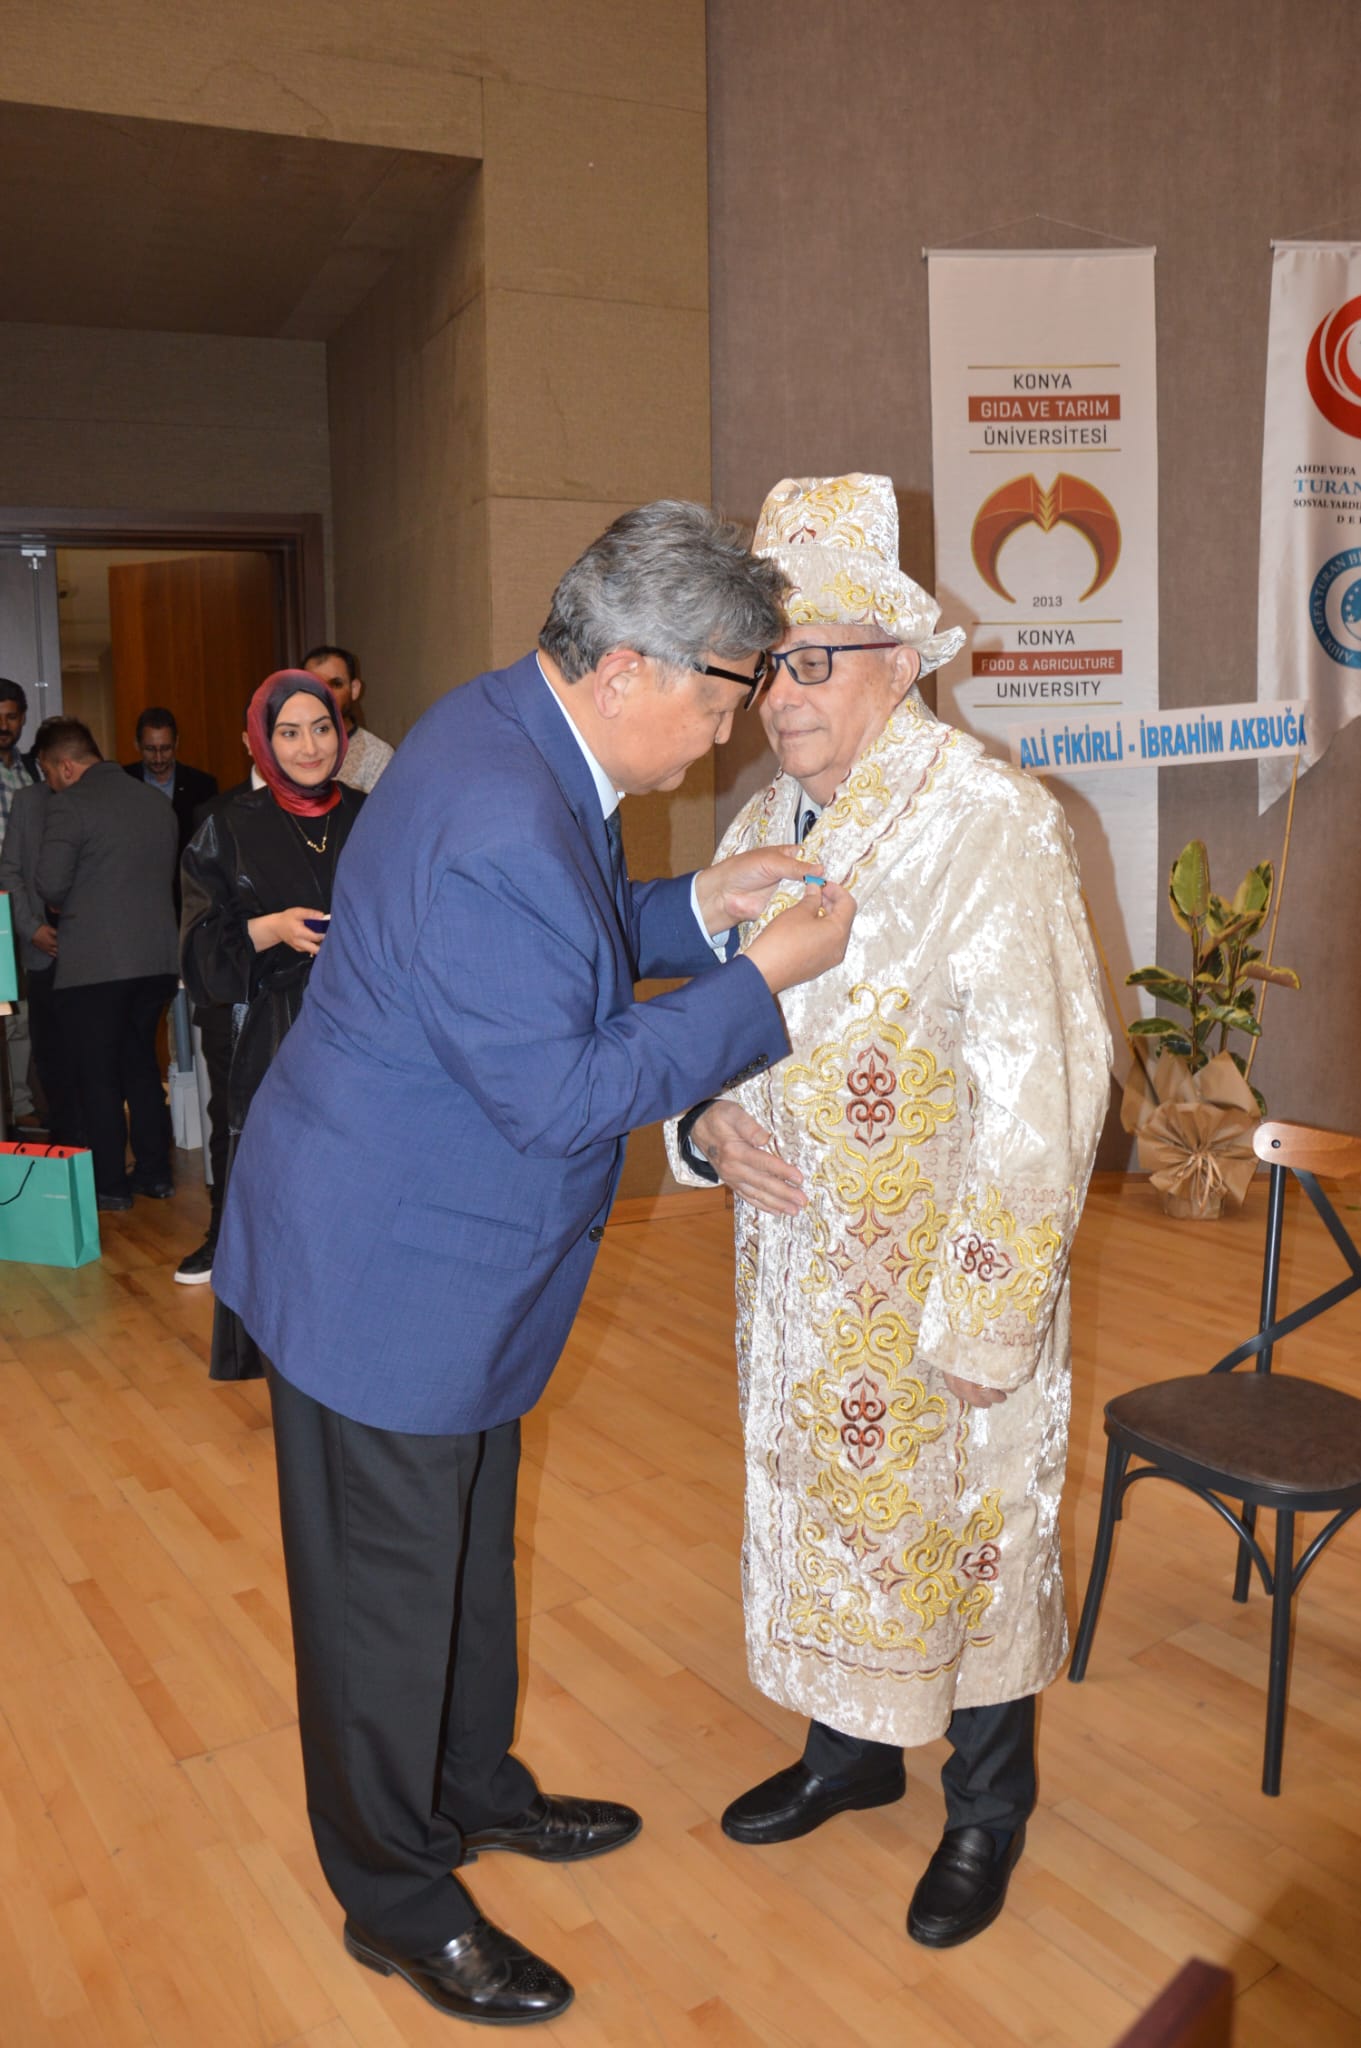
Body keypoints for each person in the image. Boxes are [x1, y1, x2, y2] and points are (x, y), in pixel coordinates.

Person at [212, 501, 855, 2027]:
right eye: (721, 690)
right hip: (391, 1267)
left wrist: (695, 912)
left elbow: (559, 937)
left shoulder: (516, 730)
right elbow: (561, 1087)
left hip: (449, 1246)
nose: (728, 728)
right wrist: (758, 983)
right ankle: (396, 1897)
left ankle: (468, 1789)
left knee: (461, 1560)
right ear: (629, 664)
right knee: (385, 1601)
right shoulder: (501, 803)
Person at [665, 473, 1110, 1949]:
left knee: (967, 1533)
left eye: (810, 662)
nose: (778, 696)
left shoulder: (994, 822)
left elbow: (1049, 1088)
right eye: (763, 664)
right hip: (795, 1276)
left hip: (933, 1292)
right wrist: (706, 1123)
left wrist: (985, 1318)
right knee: (820, 1523)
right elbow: (720, 1022)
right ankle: (846, 1750)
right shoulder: (761, 812)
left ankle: (986, 1808)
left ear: (901, 662)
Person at [180, 671, 363, 1324]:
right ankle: (282, 1333)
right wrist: (272, 928)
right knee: (277, 1193)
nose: (308, 747)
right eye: (288, 732)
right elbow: (199, 949)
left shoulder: (370, 814)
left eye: (320, 728)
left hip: (366, 1037)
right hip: (267, 1035)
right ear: (260, 740)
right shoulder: (226, 826)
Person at [34, 719, 179, 1212]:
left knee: (97, 1074)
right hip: (157, 959)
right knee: (141, 1064)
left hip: (96, 964)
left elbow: (51, 885)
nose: (50, 783)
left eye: (50, 773)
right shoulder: (156, 803)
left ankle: (111, 1184)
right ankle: (157, 1174)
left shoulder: (70, 805)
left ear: (66, 766)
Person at [174, 711, 257, 1286]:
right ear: (254, 740)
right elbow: (201, 921)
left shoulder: (349, 813)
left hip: (320, 1005)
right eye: (286, 731)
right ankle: (222, 1236)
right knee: (231, 1121)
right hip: (234, 1000)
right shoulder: (215, 817)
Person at [0, 717, 80, 1144]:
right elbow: (10, 869)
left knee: (89, 1052)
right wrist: (31, 929)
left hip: (88, 952)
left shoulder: (93, 799)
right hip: (38, 946)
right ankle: (63, 1139)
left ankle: (91, 1138)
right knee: (46, 1050)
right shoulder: (28, 802)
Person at [0, 678, 42, 1127]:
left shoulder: (33, 771)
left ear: (23, 718)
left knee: (24, 1016)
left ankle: (22, 1105)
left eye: (11, 716)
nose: (3, 725)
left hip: (27, 912)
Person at [125, 707, 219, 862]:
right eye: (150, 749)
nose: (159, 758)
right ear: (137, 744)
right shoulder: (124, 781)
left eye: (165, 748)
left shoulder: (202, 785)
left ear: (176, 743)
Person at [302, 643, 394, 791]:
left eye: (336, 684)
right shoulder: (290, 747)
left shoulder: (377, 755)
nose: (325, 694)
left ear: (354, 689)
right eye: (315, 685)